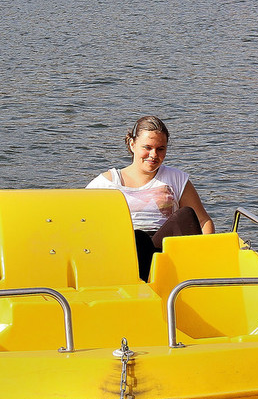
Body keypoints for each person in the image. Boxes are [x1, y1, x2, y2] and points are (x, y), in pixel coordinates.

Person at [87, 115, 214, 280]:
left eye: (160, 149)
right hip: (126, 248)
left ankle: (195, 279)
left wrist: (210, 252)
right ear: (132, 144)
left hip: (165, 247)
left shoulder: (176, 178)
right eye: (147, 147)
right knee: (138, 238)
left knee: (186, 215)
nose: (153, 155)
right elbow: (83, 224)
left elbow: (203, 221)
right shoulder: (105, 183)